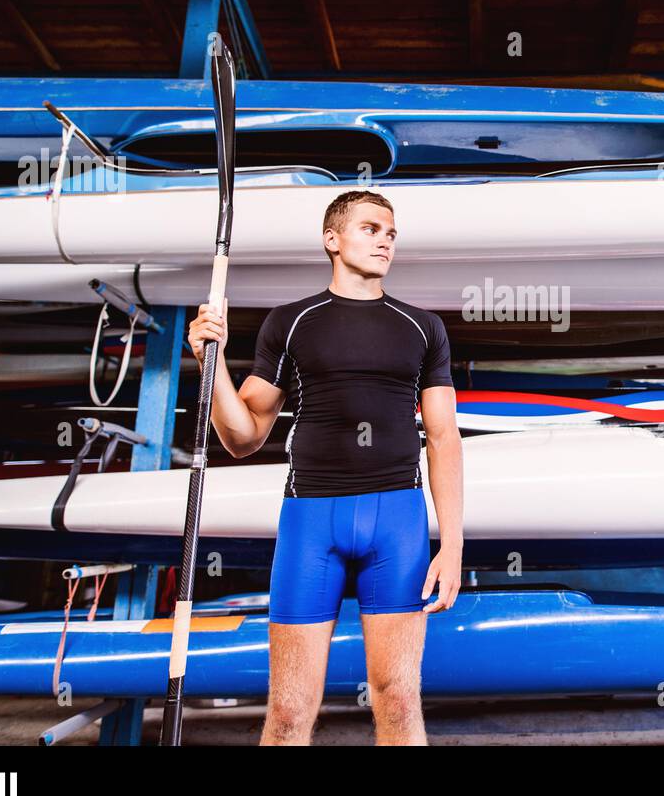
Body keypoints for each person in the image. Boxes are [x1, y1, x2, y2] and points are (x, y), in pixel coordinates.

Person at [187, 189, 464, 745]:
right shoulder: (290, 323)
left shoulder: (423, 326)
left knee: (398, 698)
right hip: (310, 520)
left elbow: (443, 436)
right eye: (370, 228)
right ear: (332, 240)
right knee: (288, 711)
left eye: (391, 231)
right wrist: (208, 364)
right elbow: (242, 436)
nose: (385, 238)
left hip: (398, 520)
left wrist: (452, 544)